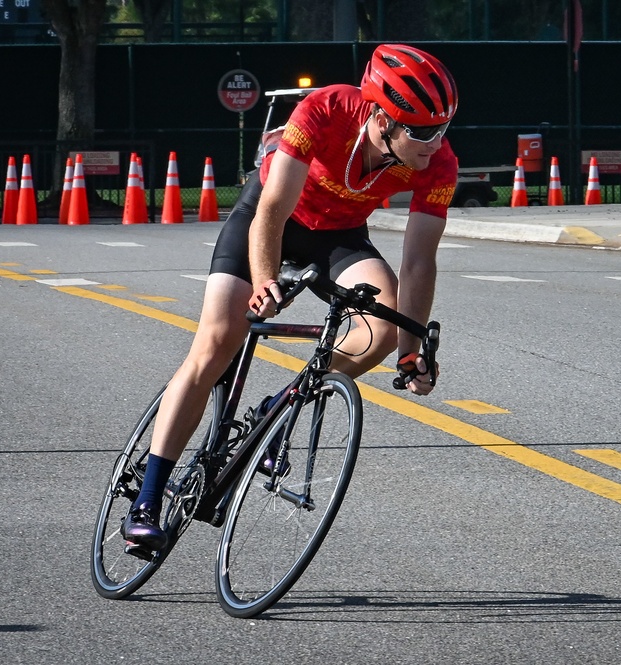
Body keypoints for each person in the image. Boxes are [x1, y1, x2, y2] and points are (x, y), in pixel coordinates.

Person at [121, 44, 459, 550]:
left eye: (444, 127)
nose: (437, 142)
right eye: (425, 130)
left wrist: (411, 351)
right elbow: (273, 211)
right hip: (269, 220)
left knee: (384, 328)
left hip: (338, 236)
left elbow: (417, 263)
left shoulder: (437, 164)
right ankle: (147, 497)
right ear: (383, 119)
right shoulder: (324, 111)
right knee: (218, 339)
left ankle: (281, 404)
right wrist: (263, 281)